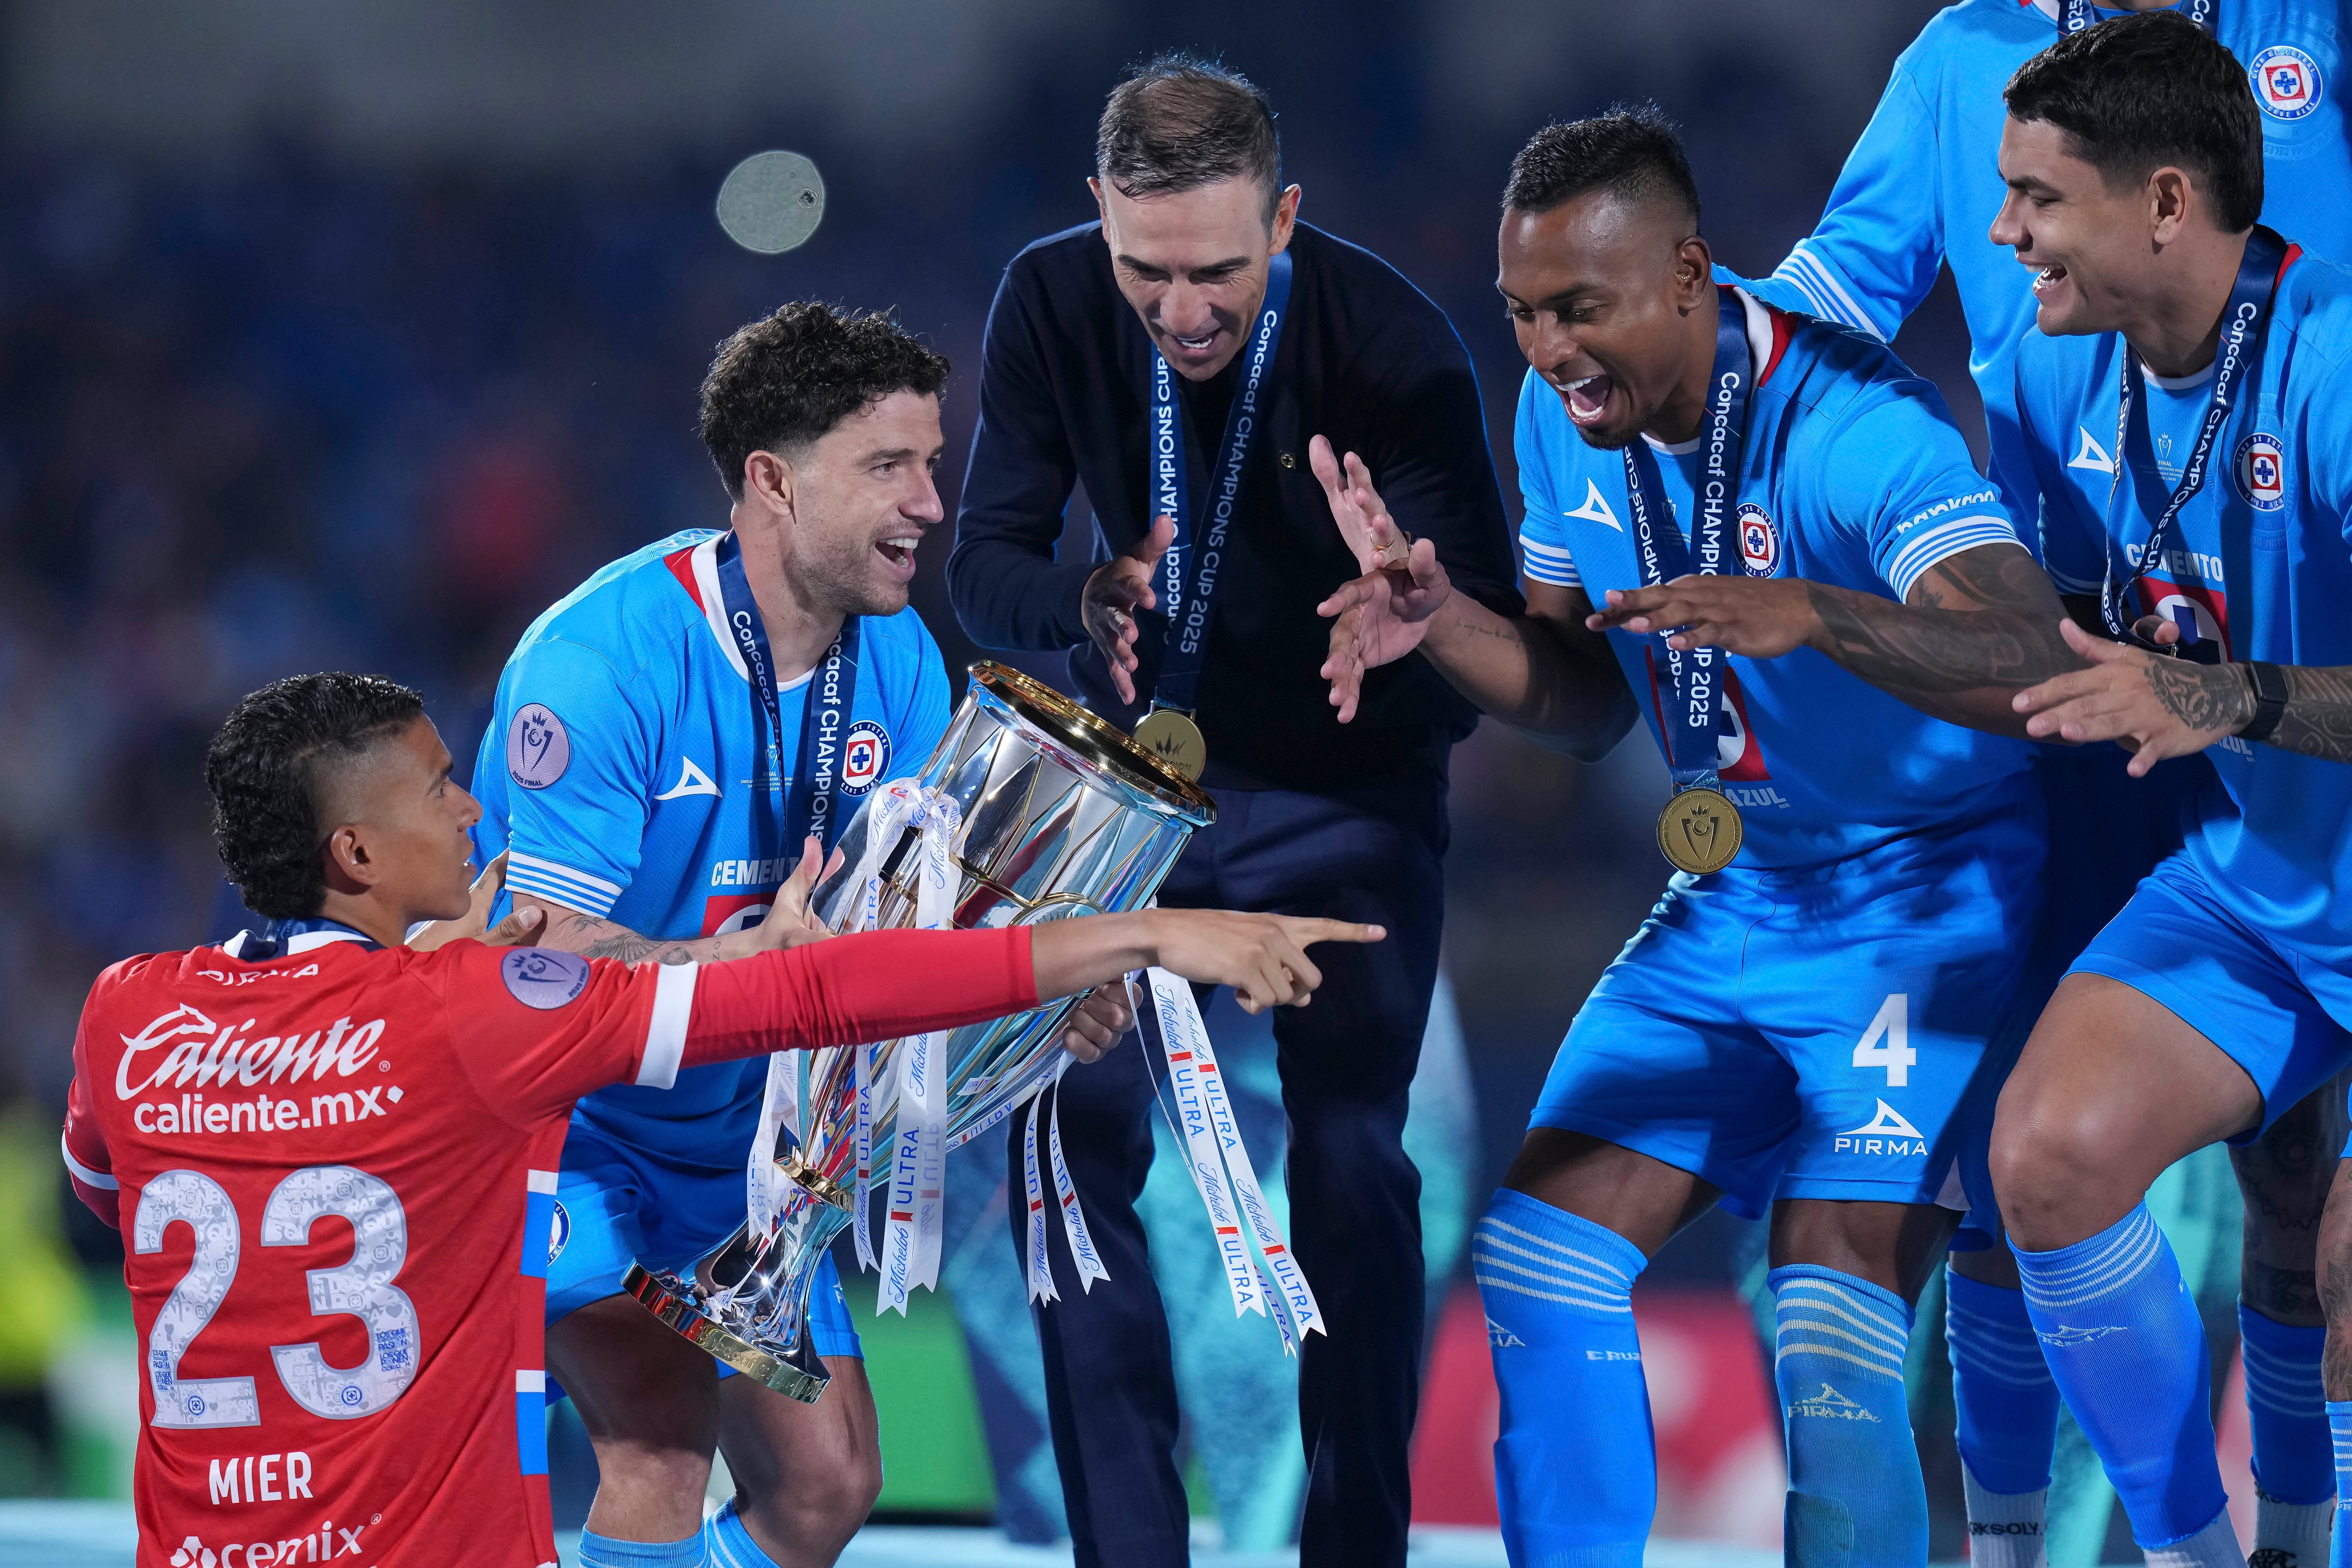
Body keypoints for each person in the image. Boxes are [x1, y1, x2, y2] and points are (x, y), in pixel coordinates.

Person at [57, 671, 1379, 1568]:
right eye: (439, 786)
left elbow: (119, 1202)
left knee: (804, 1464)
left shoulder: (126, 1010)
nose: (473, 807)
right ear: (354, 853)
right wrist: (1139, 929)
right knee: (758, 1455)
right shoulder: (473, 1011)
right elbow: (816, 989)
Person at [1312, 106, 2087, 1565]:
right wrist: (1440, 628)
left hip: (1924, 905)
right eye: (1523, 313)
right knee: (1536, 1261)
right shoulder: (1561, 417)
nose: (1545, 351)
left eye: (1579, 309)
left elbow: (2034, 650)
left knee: (1823, 1300)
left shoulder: (1853, 426)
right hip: (1732, 896)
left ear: (1686, 274)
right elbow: (1586, 700)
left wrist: (1818, 614)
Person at [1746, 7, 2352, 1558]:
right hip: (2250, 854)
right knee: (2035, 1157)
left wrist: (2216, 695)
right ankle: (2189, 1553)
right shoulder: (2060, 384)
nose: (1993, 236)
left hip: (2264, 773)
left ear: (2162, 202)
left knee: (2332, 1252)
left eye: (2031, 203)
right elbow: (1827, 328)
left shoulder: (2334, 365)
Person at [944, 53, 1522, 1568]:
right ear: (1097, 219)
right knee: (1064, 1142)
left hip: (1342, 792)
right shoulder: (1051, 299)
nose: (1183, 311)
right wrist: (1075, 603)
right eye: (1148, 272)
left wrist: (1417, 616)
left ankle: (1353, 1548)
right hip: (1125, 795)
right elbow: (981, 561)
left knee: (1350, 1166)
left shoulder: (1393, 343)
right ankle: (1127, 1552)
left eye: (1216, 271)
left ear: (1282, 217)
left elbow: (1482, 641)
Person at [464, 302, 1024, 1568]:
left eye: (930, 464)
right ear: (771, 480)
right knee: (652, 1433)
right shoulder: (604, 660)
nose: (930, 503)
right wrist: (723, 975)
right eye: (889, 467)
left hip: (744, 1161)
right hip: (574, 1134)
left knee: (829, 1486)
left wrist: (1033, 990)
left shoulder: (901, 667)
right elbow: (528, 971)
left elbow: (895, 932)